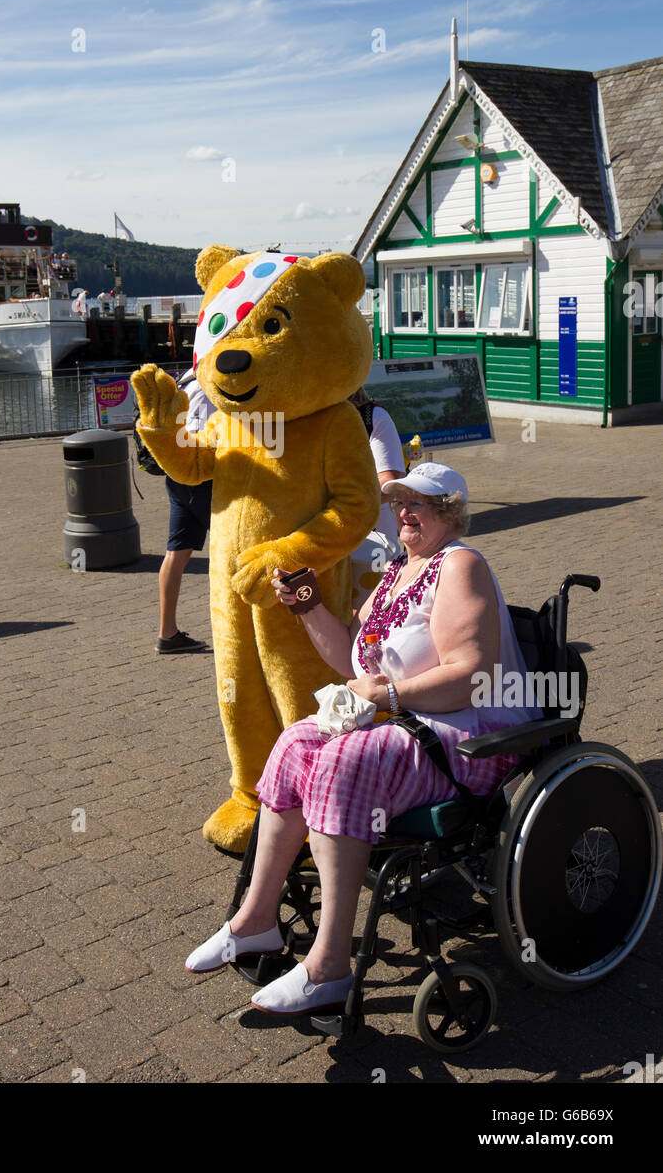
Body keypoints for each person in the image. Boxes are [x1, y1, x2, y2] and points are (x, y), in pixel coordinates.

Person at [184, 462, 542, 1014]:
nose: (402, 513)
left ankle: (328, 967)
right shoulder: (397, 572)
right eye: (398, 503)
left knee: (341, 765)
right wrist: (307, 606)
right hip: (403, 725)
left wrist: (391, 698)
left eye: (416, 504)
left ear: (448, 511)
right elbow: (350, 657)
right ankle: (256, 920)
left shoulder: (460, 564)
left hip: (466, 735)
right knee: (295, 745)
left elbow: (474, 675)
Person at [156, 368, 216, 653]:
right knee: (229, 552)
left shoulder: (186, 379)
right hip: (201, 481)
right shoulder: (203, 388)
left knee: (176, 554)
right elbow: (194, 439)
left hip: (180, 482)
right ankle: (236, 630)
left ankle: (168, 633)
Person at [348, 387, 405, 596]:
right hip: (319, 537)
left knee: (372, 606)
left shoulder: (372, 417)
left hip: (371, 538)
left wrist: (342, 504)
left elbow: (391, 484)